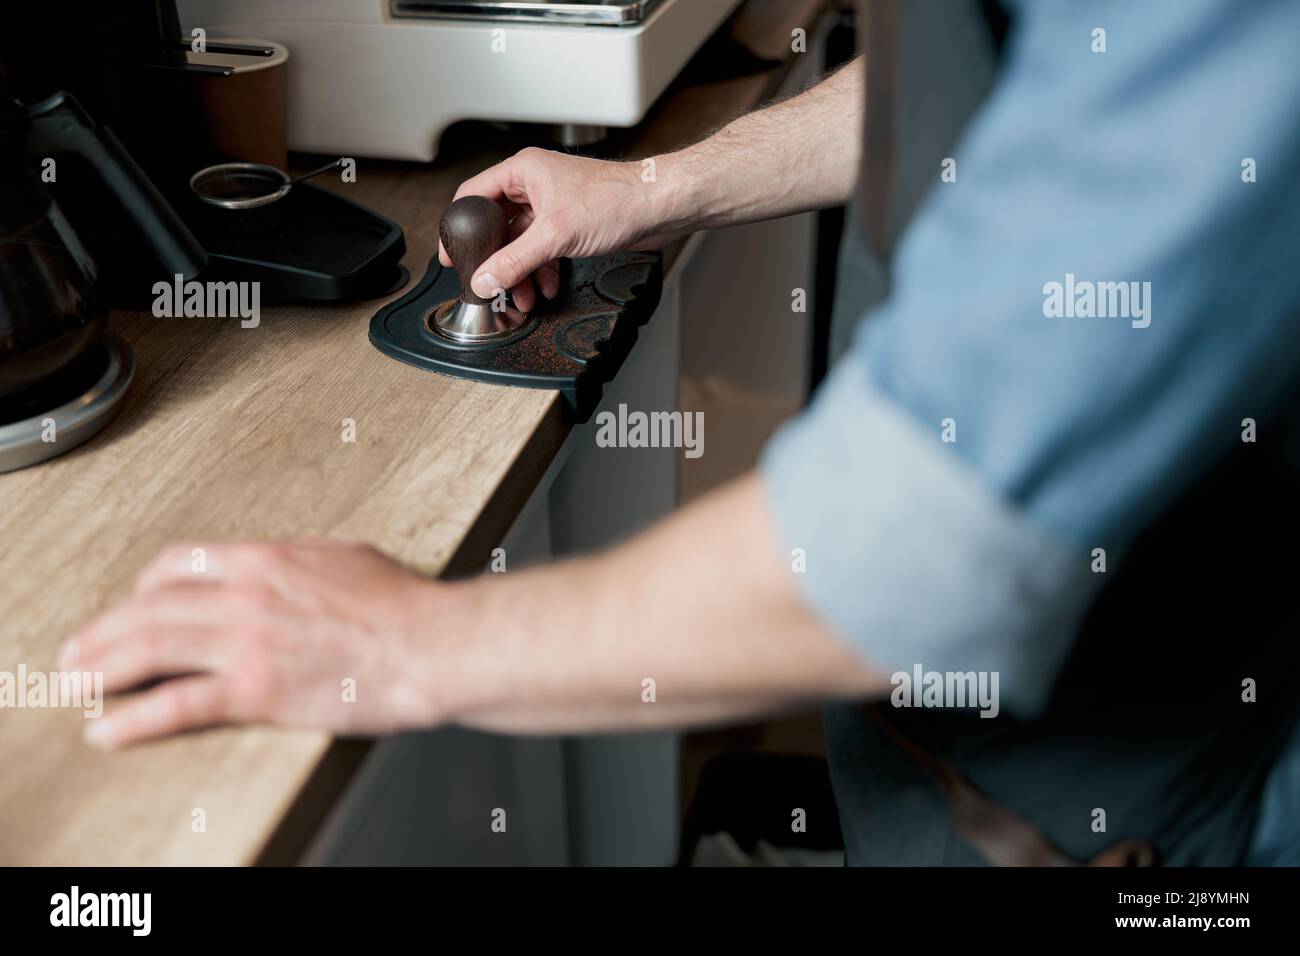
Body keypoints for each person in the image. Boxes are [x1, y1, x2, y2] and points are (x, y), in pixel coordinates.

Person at [65, 0, 1300, 865]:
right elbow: (1030, 75)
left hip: (1156, 803)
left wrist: (409, 639)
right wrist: (660, 187)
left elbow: (930, 546)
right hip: (954, 758)